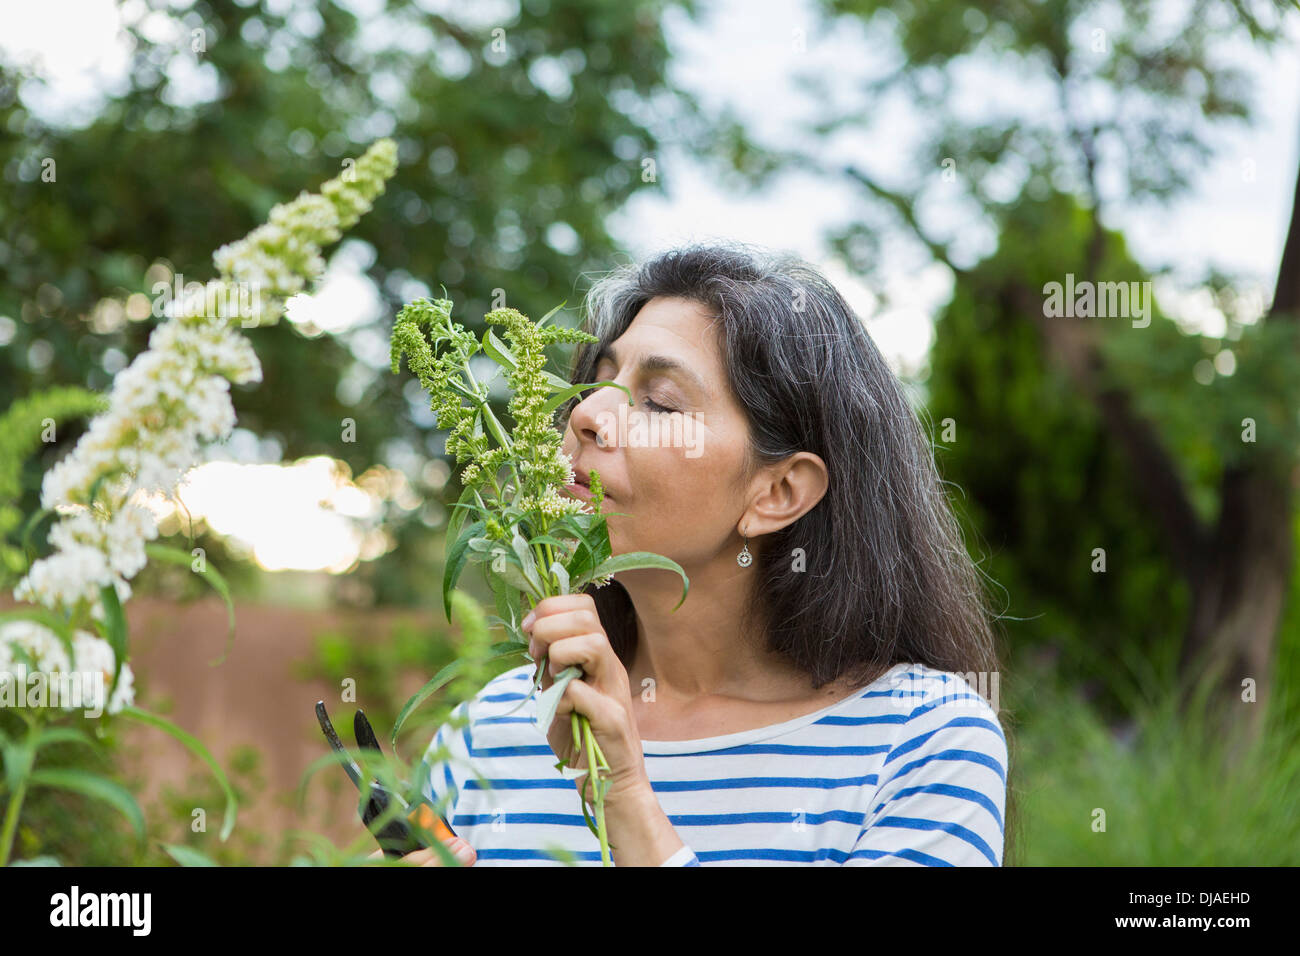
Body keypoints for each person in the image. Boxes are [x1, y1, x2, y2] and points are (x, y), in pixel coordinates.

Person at [406, 242, 1009, 866]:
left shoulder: (921, 738)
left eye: (660, 401)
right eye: (596, 382)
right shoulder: (489, 727)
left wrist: (625, 798)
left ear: (777, 492)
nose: (585, 414)